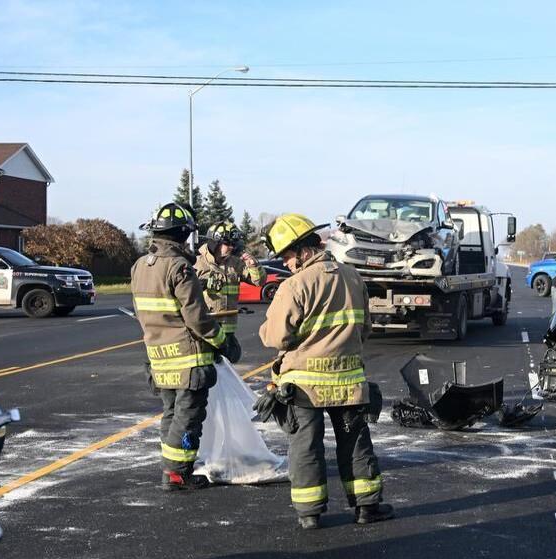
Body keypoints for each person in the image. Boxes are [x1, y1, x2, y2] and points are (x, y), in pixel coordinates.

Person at [258, 213, 394, 530]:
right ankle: (366, 508)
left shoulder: (294, 286)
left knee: (305, 447)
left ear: (305, 249)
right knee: (356, 444)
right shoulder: (353, 277)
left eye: (288, 255)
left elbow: (276, 337)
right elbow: (365, 329)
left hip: (303, 387)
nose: (287, 263)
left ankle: (309, 514)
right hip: (348, 382)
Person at [131, 203, 242, 491]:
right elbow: (197, 317)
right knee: (189, 416)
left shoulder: (140, 266)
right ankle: (179, 475)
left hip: (158, 356)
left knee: (171, 413)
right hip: (186, 358)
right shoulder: (179, 267)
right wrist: (222, 342)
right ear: (182, 235)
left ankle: (170, 470)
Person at [194, 221, 264, 343]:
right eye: (228, 243)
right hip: (205, 329)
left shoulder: (235, 263)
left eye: (233, 244)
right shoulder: (197, 262)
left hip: (228, 329)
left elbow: (259, 281)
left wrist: (254, 266)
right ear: (215, 242)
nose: (232, 247)